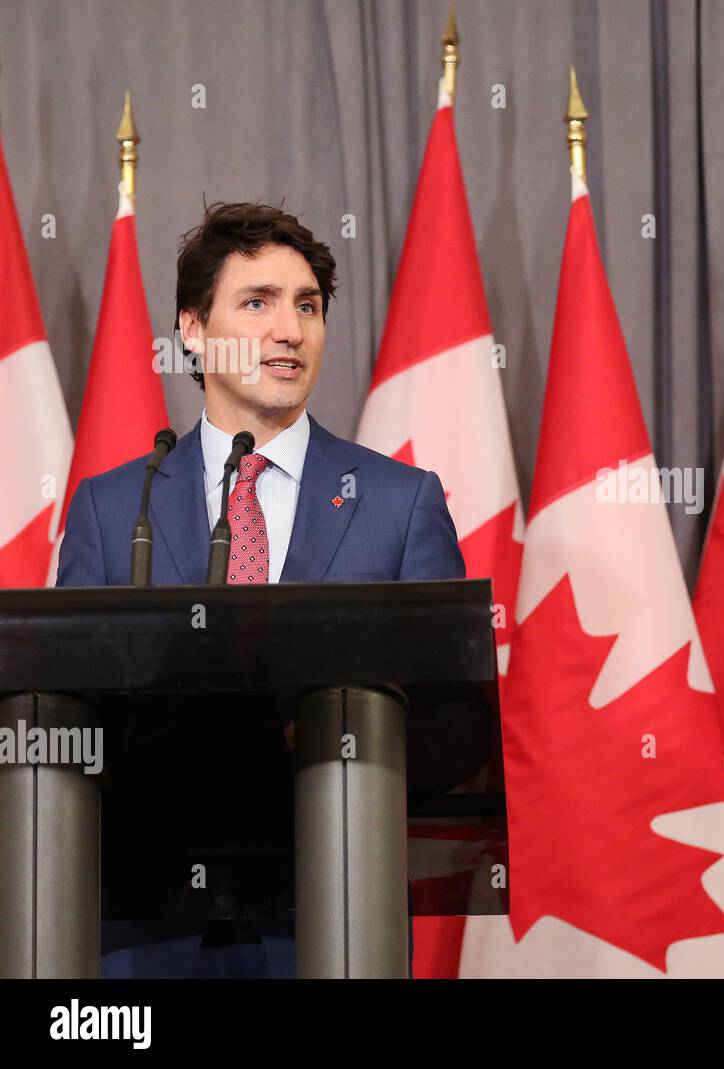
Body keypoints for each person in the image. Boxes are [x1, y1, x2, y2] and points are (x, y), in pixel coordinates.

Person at [56, 201, 465, 977]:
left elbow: (451, 729)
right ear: (193, 330)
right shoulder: (114, 510)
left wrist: (322, 739)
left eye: (307, 306)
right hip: (146, 933)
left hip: (333, 917)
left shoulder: (401, 502)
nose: (291, 330)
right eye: (258, 302)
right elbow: (68, 720)